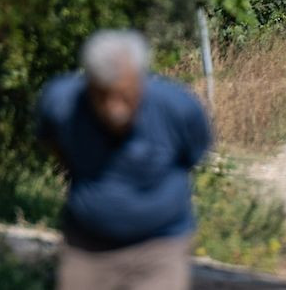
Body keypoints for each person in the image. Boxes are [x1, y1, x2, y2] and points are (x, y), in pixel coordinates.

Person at [37, 30, 210, 290]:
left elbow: (194, 154)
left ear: (141, 81)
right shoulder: (62, 104)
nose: (114, 108)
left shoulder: (178, 108)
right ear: (88, 84)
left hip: (160, 247)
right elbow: (53, 142)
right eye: (102, 95)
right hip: (87, 249)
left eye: (125, 95)